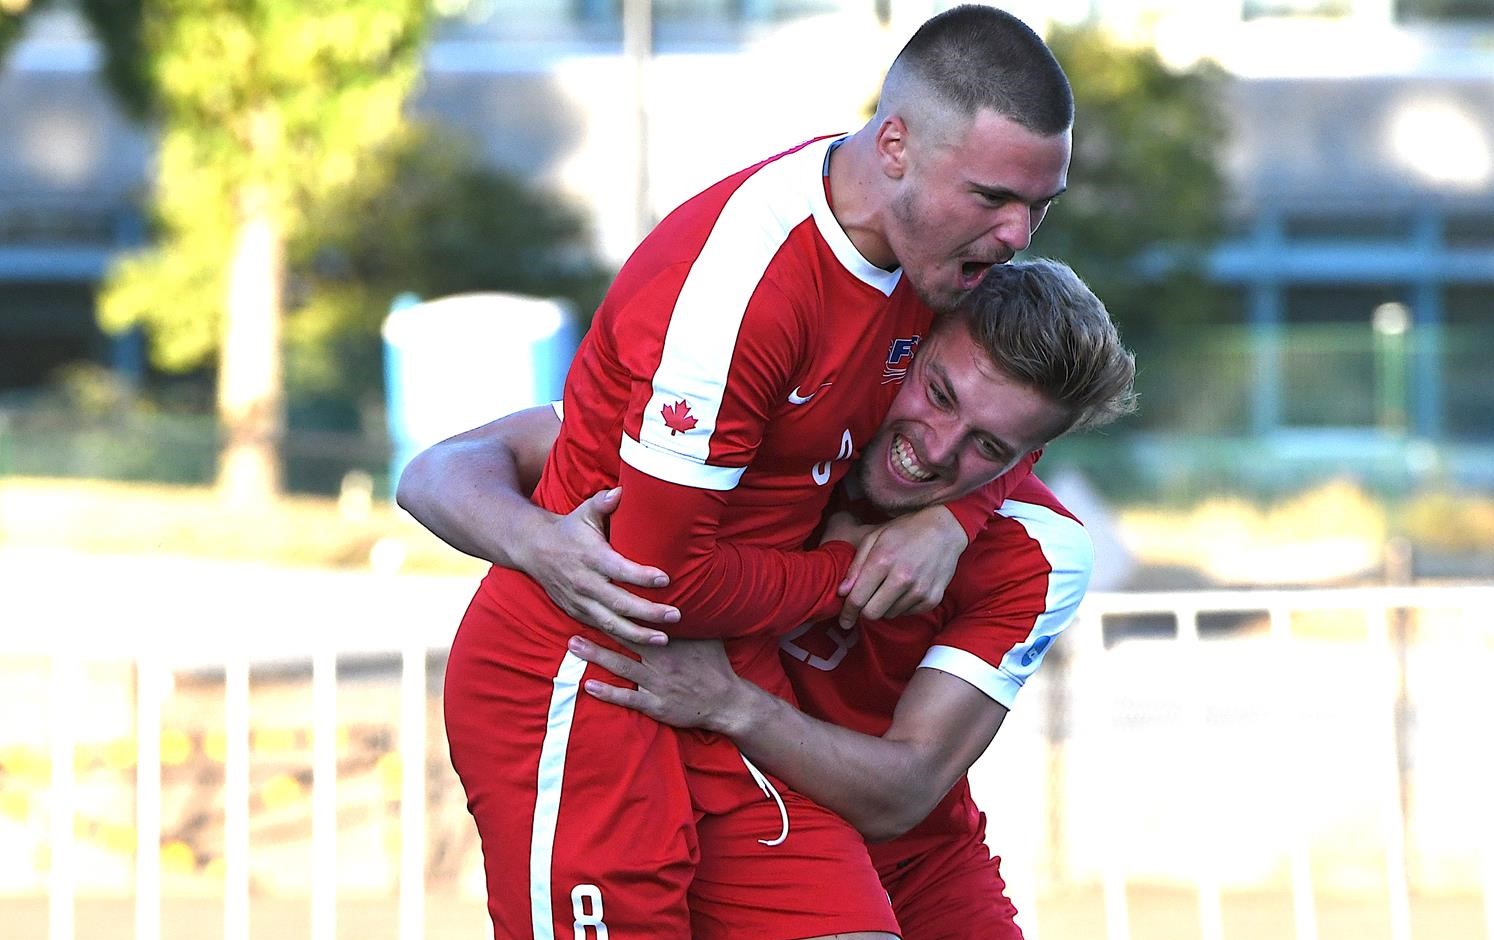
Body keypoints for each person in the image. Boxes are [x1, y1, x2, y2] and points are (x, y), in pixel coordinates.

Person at [400, 7, 1074, 938]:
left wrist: (953, 520)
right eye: (994, 196)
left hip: (723, 678)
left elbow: (1030, 401)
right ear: (894, 146)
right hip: (590, 679)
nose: (1016, 235)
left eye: (1041, 206)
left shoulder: (932, 265)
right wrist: (852, 572)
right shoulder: (742, 297)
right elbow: (656, 585)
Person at [402, 259, 1137, 938]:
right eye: (939, 395)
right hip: (701, 809)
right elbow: (438, 471)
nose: (938, 450)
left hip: (909, 865)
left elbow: (903, 795)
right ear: (904, 348)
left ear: (1028, 455)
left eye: (990, 449)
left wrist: (732, 704)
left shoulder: (1041, 548)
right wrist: (541, 544)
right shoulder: (772, 413)